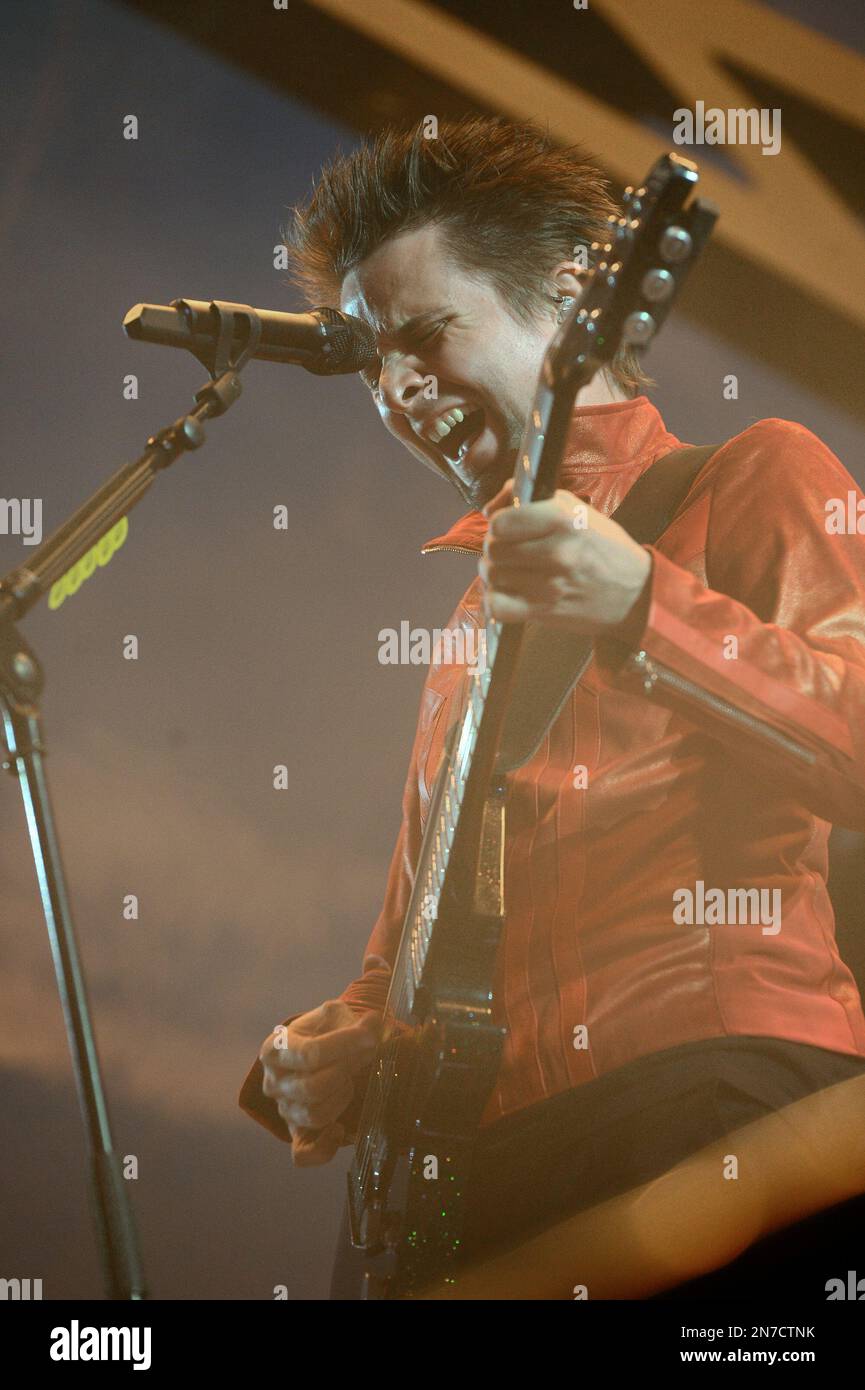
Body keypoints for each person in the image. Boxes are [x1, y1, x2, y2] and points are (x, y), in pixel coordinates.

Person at [238, 115, 865, 1296]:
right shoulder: (470, 627)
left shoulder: (753, 474)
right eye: (376, 362)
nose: (399, 388)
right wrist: (338, 1049)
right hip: (483, 1165)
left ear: (577, 294)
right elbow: (407, 953)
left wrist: (644, 609)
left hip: (716, 1104)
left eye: (425, 333)